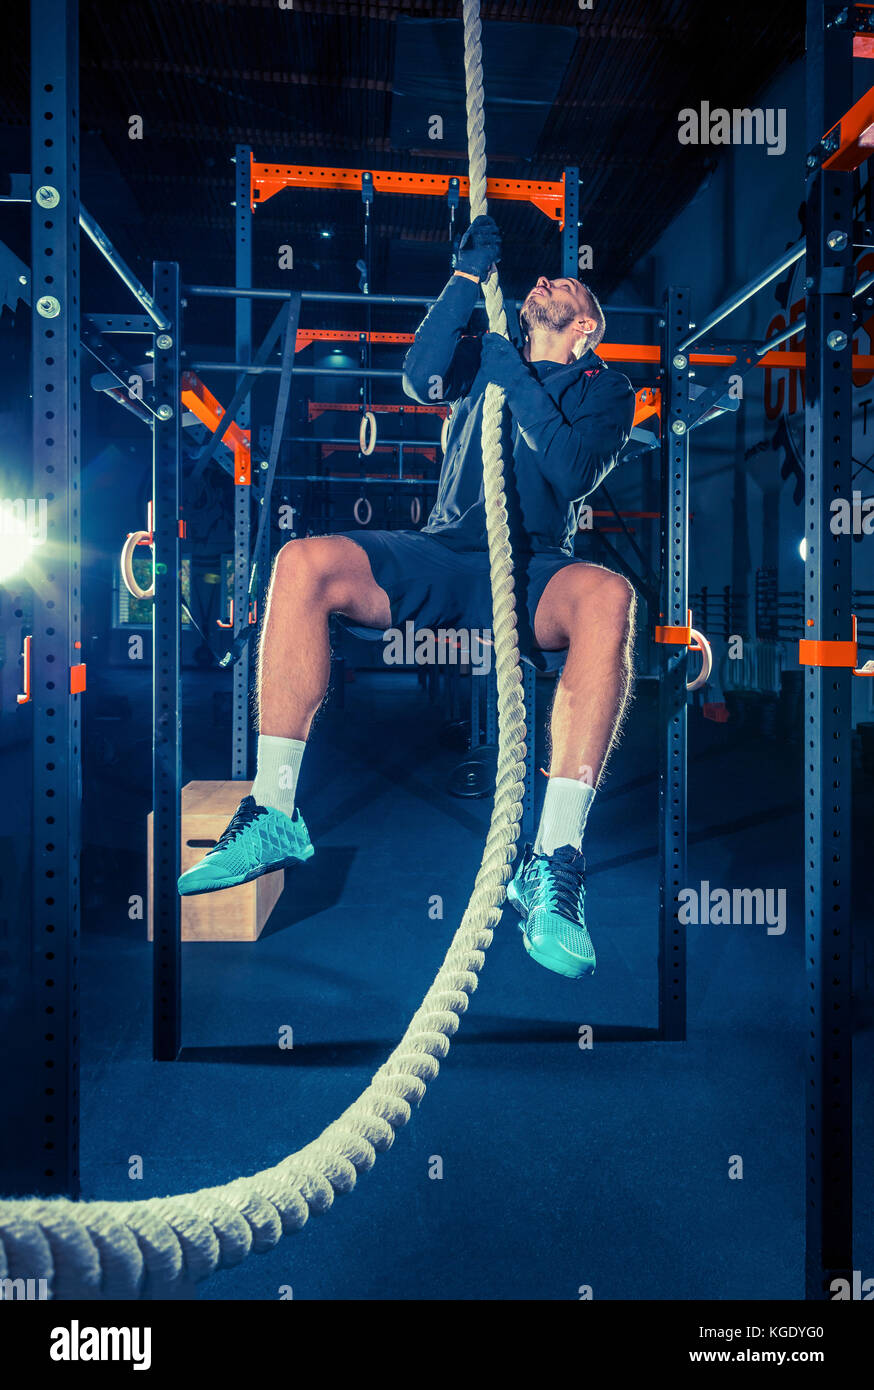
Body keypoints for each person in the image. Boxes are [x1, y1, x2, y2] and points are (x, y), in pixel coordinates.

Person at [179, 216, 638, 981]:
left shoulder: (605, 388)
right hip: (444, 549)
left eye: (566, 285)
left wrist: (513, 373)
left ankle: (555, 865)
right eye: (543, 279)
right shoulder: (482, 359)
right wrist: (463, 281)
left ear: (584, 327)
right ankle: (274, 813)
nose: (545, 281)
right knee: (303, 562)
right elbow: (418, 378)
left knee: (610, 597)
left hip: (534, 569)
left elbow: (566, 468)